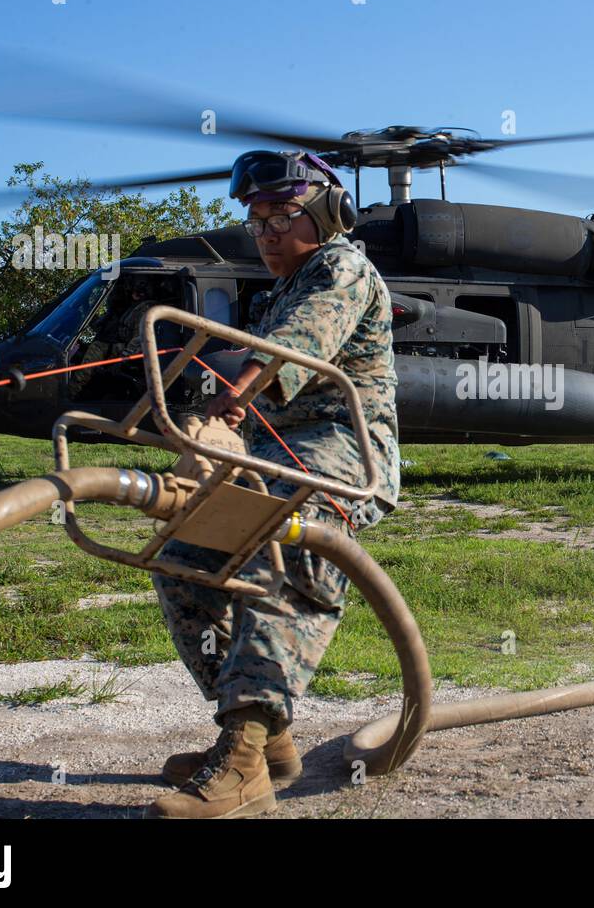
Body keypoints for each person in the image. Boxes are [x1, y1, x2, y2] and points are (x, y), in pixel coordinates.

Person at [146, 150, 400, 819]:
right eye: (256, 221)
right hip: (272, 456)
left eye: (283, 217)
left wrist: (234, 394)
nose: (266, 233)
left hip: (338, 456)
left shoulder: (341, 266)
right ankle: (261, 742)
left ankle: (244, 756)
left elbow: (300, 343)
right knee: (184, 561)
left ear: (327, 214)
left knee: (283, 560)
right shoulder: (277, 289)